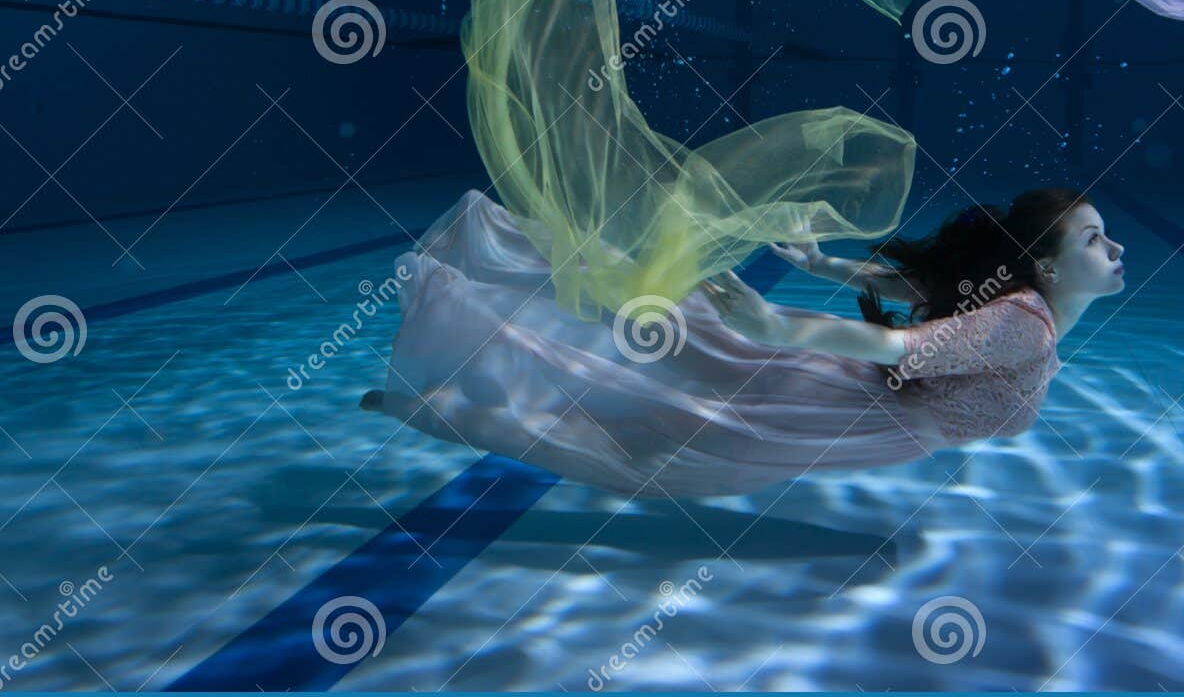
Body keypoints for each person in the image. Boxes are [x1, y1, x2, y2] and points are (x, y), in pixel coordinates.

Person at [361, 187, 1125, 498]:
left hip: (855, 401)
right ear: (1050, 266)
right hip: (854, 413)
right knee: (659, 452)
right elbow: (903, 344)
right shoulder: (1022, 322)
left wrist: (825, 264)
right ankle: (443, 385)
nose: (1115, 248)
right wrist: (776, 324)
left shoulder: (1022, 308)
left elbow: (923, 293)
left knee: (673, 373)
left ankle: (454, 365)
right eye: (1096, 239)